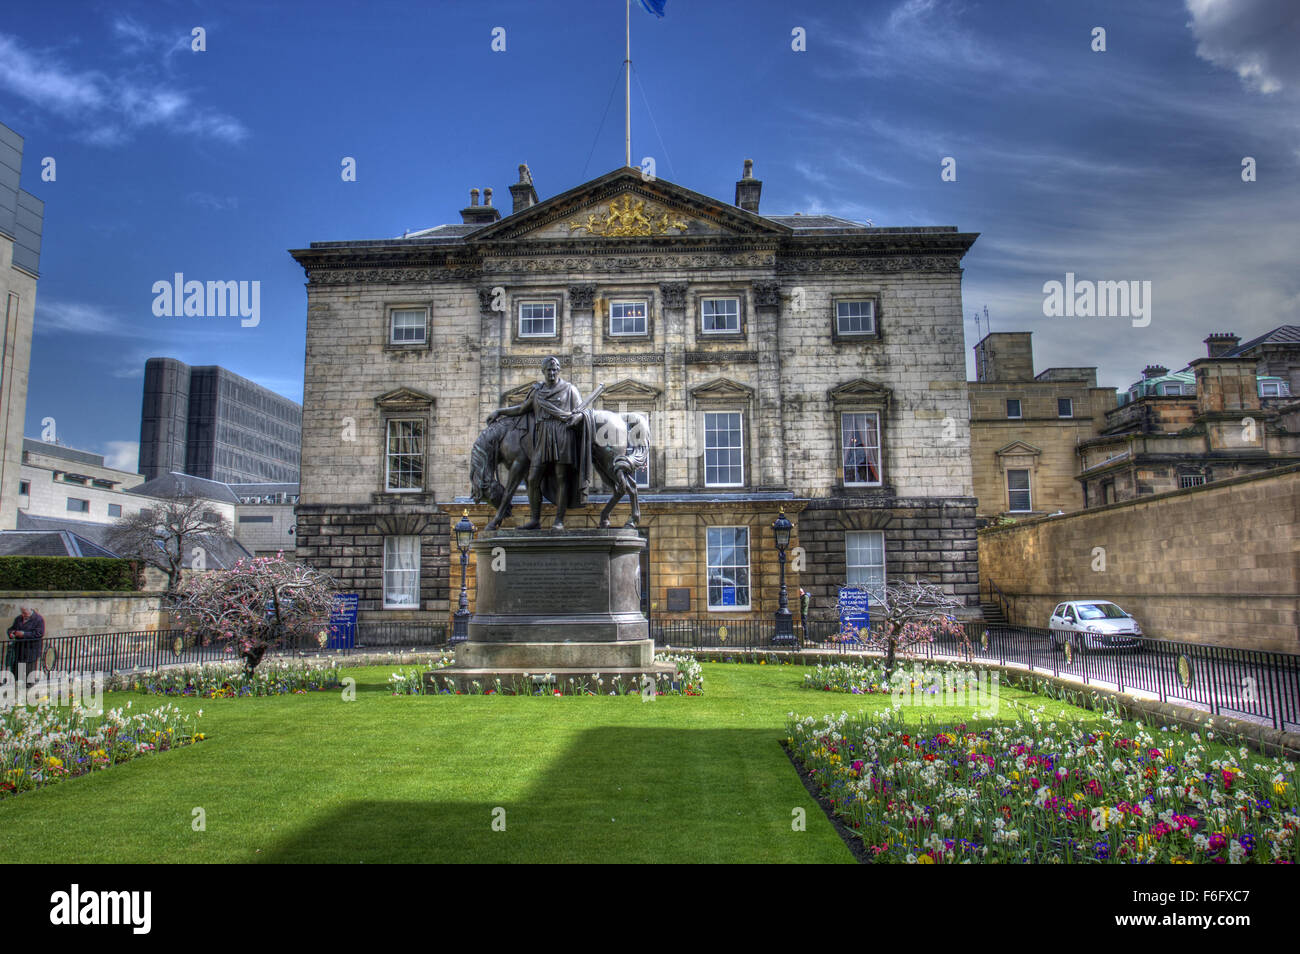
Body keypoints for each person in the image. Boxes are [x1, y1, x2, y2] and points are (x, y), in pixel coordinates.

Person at [487, 356, 594, 530]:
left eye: (555, 369)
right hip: (543, 436)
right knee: (532, 478)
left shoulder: (570, 389)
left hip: (562, 435)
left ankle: (559, 520)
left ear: (558, 371)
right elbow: (521, 408)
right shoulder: (537, 391)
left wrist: (577, 417)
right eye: (548, 370)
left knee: (562, 478)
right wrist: (499, 411)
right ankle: (535, 519)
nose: (552, 373)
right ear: (543, 371)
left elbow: (583, 412)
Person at [6, 606, 44, 679]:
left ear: (31, 610)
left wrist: (23, 634)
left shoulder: (38, 619)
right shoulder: (18, 618)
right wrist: (11, 633)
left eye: (25, 613)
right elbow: (12, 628)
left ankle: (28, 687)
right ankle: (19, 685)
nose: (23, 615)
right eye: (22, 612)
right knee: (18, 671)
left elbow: (39, 633)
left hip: (30, 650)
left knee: (28, 672)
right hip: (19, 649)